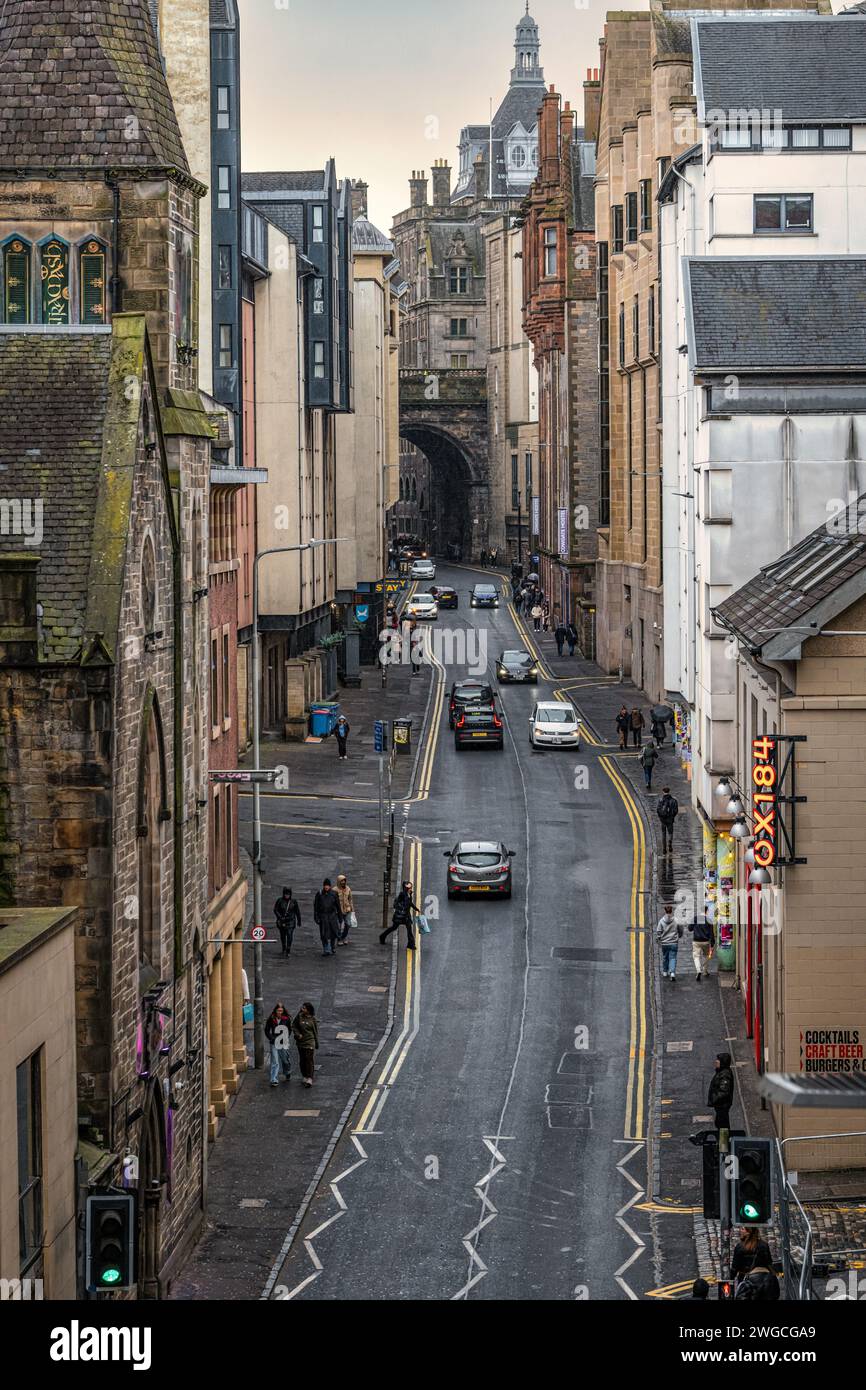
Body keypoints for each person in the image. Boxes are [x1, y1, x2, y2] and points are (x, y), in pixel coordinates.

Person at [380, 879, 420, 950]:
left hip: (406, 916)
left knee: (409, 930)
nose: (410, 888)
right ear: (405, 888)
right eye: (409, 887)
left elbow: (410, 903)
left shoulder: (409, 893)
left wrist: (416, 909)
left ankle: (411, 944)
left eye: (411, 887)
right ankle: (382, 936)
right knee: (394, 927)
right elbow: (397, 903)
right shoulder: (402, 894)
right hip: (400, 916)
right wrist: (402, 908)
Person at [292, 1001, 319, 1088]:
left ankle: (310, 1078)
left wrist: (316, 1043)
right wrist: (297, 1034)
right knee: (302, 1059)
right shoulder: (299, 1016)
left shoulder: (313, 1019)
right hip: (301, 1041)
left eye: (304, 1008)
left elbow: (315, 1032)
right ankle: (304, 1075)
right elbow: (294, 1026)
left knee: (309, 1059)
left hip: (310, 1041)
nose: (302, 1009)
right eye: (302, 1007)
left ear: (308, 1010)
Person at [265, 1002, 293, 1086]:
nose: (279, 1012)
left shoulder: (286, 1019)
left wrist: (286, 1037)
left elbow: (289, 1029)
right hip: (274, 1042)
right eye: (278, 1010)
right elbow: (267, 1030)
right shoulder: (271, 1018)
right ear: (275, 1010)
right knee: (275, 1061)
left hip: (283, 1042)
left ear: (283, 1011)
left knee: (285, 1060)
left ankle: (287, 1072)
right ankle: (274, 1079)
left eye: (281, 1011)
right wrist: (271, 1038)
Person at [314, 878, 343, 957]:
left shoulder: (334, 894)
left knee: (333, 933)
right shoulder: (319, 894)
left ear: (330, 886)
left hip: (332, 916)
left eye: (327, 885)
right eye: (325, 885)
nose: (326, 887)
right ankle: (326, 948)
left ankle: (332, 947)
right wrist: (316, 917)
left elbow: (338, 906)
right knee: (323, 934)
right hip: (323, 917)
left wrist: (340, 917)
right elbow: (316, 906)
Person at [708, 1052, 735, 1135]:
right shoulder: (721, 1072)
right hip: (721, 1105)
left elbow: (724, 1091)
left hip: (722, 1105)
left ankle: (724, 1141)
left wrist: (714, 1098)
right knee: (719, 1123)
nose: (716, 1061)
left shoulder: (725, 1074)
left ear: (723, 1062)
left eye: (718, 1060)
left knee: (722, 1125)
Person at [656, 903, 682, 981]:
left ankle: (665, 971)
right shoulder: (676, 920)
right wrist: (679, 936)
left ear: (665, 911)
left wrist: (659, 938)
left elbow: (658, 931)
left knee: (665, 957)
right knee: (673, 958)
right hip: (674, 942)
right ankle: (672, 973)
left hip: (664, 943)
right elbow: (680, 929)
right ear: (672, 911)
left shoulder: (661, 921)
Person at [273, 887, 301, 958]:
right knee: (283, 935)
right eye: (286, 894)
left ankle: (288, 949)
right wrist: (280, 917)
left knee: (289, 935)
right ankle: (284, 948)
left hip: (291, 921)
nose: (287, 896)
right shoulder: (279, 900)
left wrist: (299, 921)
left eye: (288, 894)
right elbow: (275, 910)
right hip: (282, 921)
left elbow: (297, 911)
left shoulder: (293, 901)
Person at [689, 913, 716, 982]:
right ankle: (705, 971)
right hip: (706, 941)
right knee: (706, 955)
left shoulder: (695, 918)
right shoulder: (709, 920)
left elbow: (690, 928)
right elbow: (712, 933)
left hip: (696, 941)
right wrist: (712, 944)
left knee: (696, 956)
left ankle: (698, 970)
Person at [657, 786, 679, 854]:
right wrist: (672, 816)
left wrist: (661, 817)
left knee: (663, 834)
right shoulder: (674, 800)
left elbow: (658, 810)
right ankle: (670, 842)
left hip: (663, 820)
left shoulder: (660, 800)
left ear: (663, 792)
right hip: (670, 820)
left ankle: (664, 849)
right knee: (670, 833)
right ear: (669, 791)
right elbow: (676, 810)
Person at [335, 873, 355, 945]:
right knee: (339, 926)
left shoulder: (348, 889)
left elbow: (350, 899)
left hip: (347, 909)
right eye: (341, 881)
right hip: (339, 911)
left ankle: (344, 937)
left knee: (348, 924)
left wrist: (352, 909)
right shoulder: (335, 890)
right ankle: (339, 939)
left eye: (344, 880)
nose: (343, 882)